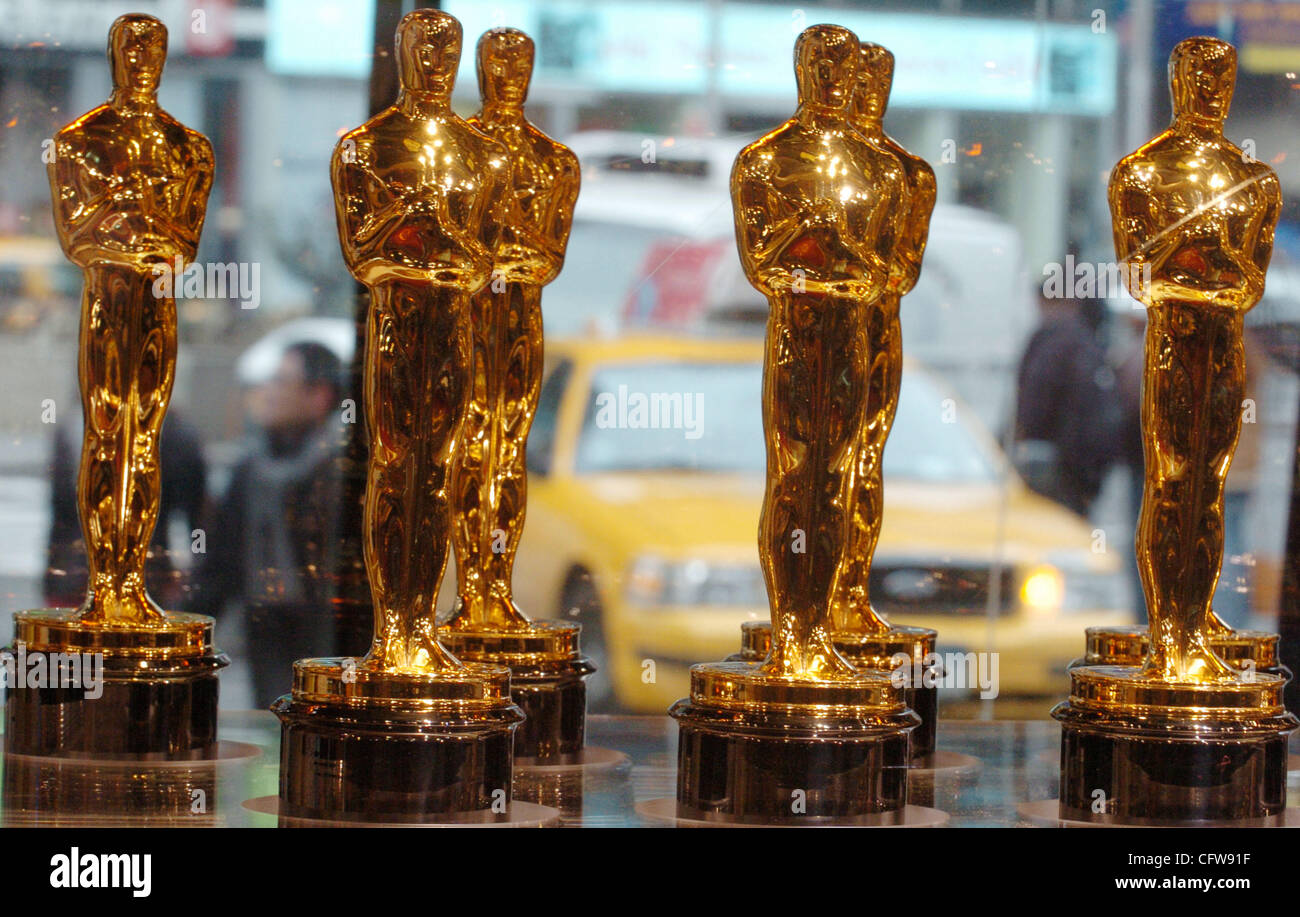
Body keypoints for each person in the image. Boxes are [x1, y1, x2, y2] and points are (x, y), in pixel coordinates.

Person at [187, 341, 343, 706]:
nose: (268, 392)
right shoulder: (252, 466)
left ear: (319, 395)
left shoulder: (344, 469)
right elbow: (221, 560)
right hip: (266, 628)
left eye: (281, 381)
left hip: (330, 635)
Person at [1012, 291, 1119, 518]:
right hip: (1082, 467)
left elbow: (1034, 407)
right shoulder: (1087, 342)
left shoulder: (1053, 340)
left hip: (1055, 464)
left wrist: (1023, 439)